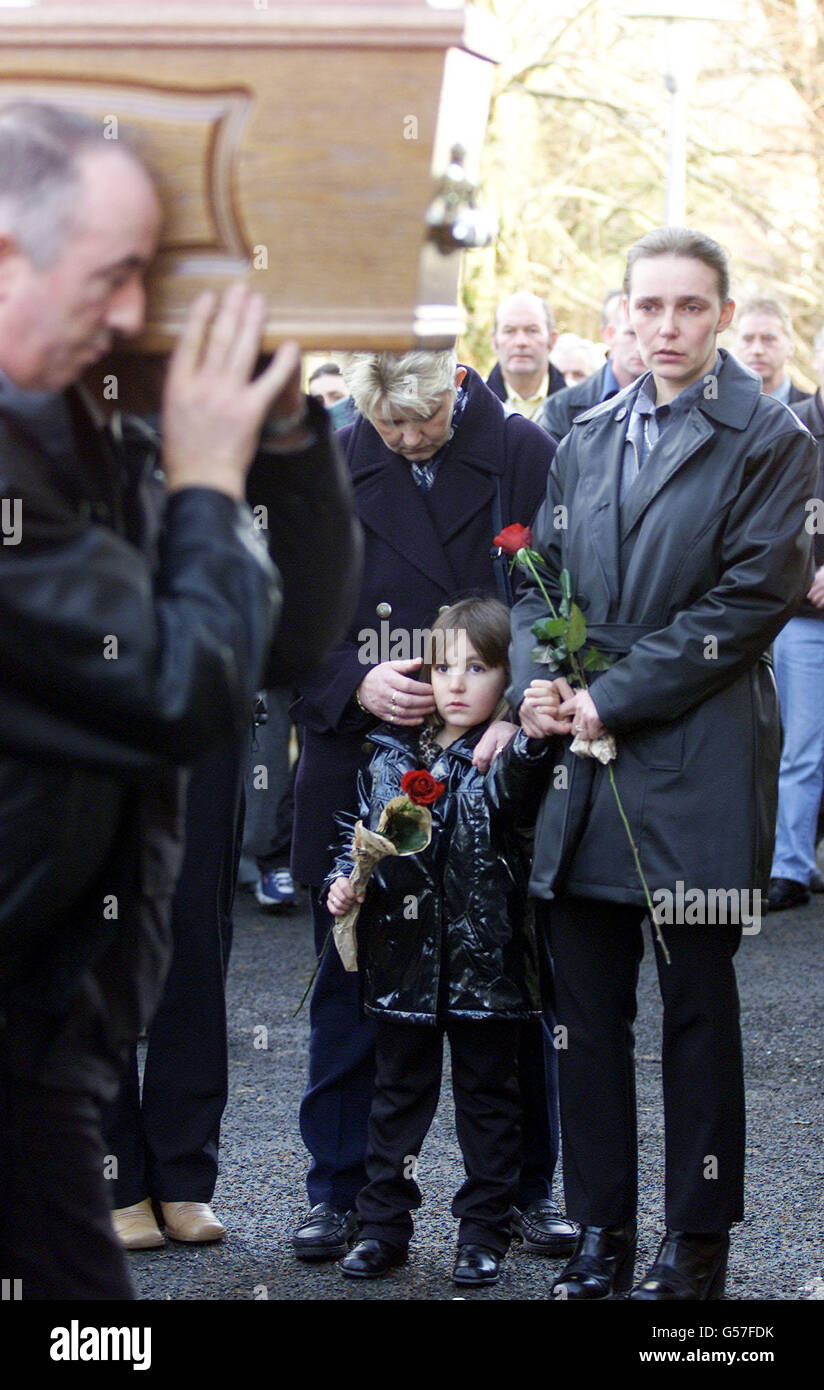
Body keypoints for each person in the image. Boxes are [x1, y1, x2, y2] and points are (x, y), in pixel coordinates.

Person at [0, 101, 358, 1297]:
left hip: (50, 1032)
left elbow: (284, 641)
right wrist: (205, 477)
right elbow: (170, 685)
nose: (125, 312)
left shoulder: (70, 421)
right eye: (111, 278)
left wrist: (292, 437)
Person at [508, 227, 816, 1300]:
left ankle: (694, 1245)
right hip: (581, 766)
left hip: (695, 753)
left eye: (689, 307)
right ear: (623, 317)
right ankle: (597, 1231)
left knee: (695, 1010)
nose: (667, 327)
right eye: (649, 308)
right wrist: (533, 684)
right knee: (584, 1016)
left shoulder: (771, 438)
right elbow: (532, 586)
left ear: (722, 317)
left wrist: (608, 693)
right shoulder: (583, 434)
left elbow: (745, 604)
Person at [290, 348, 577, 1264]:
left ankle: (526, 1192)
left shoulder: (526, 449)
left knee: (515, 990)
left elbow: (560, 596)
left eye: (423, 422)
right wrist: (354, 680)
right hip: (362, 760)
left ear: (458, 385)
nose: (408, 439)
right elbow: (280, 618)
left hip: (500, 763)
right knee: (352, 988)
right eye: (389, 427)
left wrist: (522, 701)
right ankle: (342, 1193)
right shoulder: (331, 464)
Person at [327, 598, 550, 1286]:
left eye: (478, 667)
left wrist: (530, 732)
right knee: (395, 1098)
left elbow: (527, 778)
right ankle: (383, 1226)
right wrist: (345, 881)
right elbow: (366, 840)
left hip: (488, 961)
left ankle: (484, 1230)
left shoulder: (506, 757)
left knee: (489, 1099)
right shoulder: (389, 758)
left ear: (507, 679)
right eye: (444, 665)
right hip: (404, 961)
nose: (456, 683)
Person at [766, 324, 824, 909]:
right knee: (800, 746)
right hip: (806, 622)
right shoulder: (794, 428)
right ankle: (789, 865)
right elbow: (773, 523)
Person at [542, 289, 646, 439]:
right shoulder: (560, 408)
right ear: (610, 334)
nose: (639, 347)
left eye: (646, 335)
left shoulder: (678, 402)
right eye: (631, 334)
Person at [487, 292, 566, 419]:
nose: (521, 342)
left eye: (532, 331)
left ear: (552, 340)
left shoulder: (580, 404)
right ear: (494, 341)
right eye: (509, 331)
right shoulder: (472, 405)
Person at [732, 297, 811, 405]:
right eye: (748, 339)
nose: (757, 350)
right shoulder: (714, 409)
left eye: (768, 339)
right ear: (735, 346)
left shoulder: (816, 415)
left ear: (790, 348)